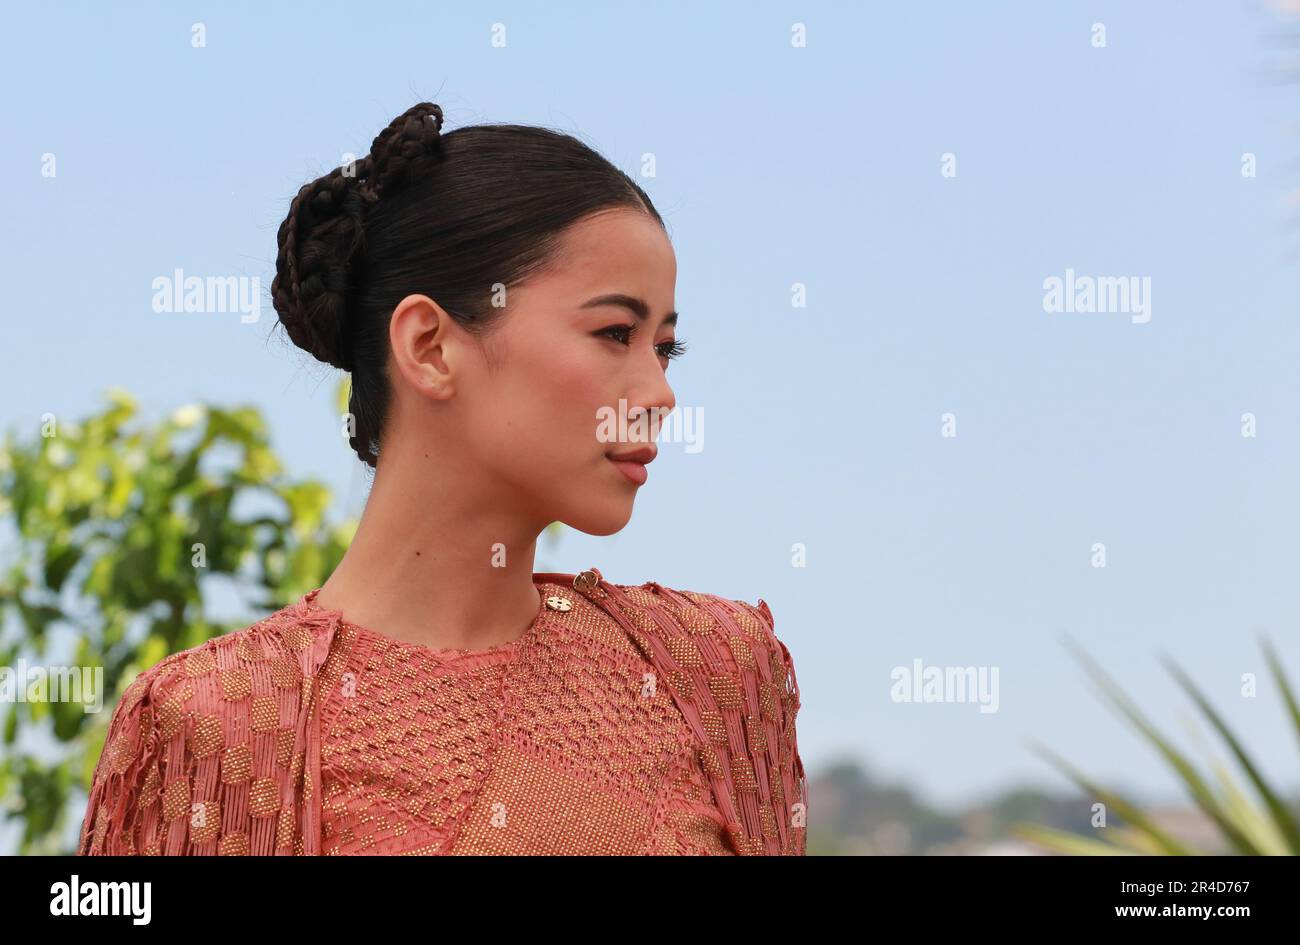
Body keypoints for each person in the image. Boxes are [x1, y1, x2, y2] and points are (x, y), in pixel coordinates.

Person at [78, 103, 805, 856]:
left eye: (665, 348)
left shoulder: (712, 669)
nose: (659, 395)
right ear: (429, 346)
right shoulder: (219, 722)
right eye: (615, 334)